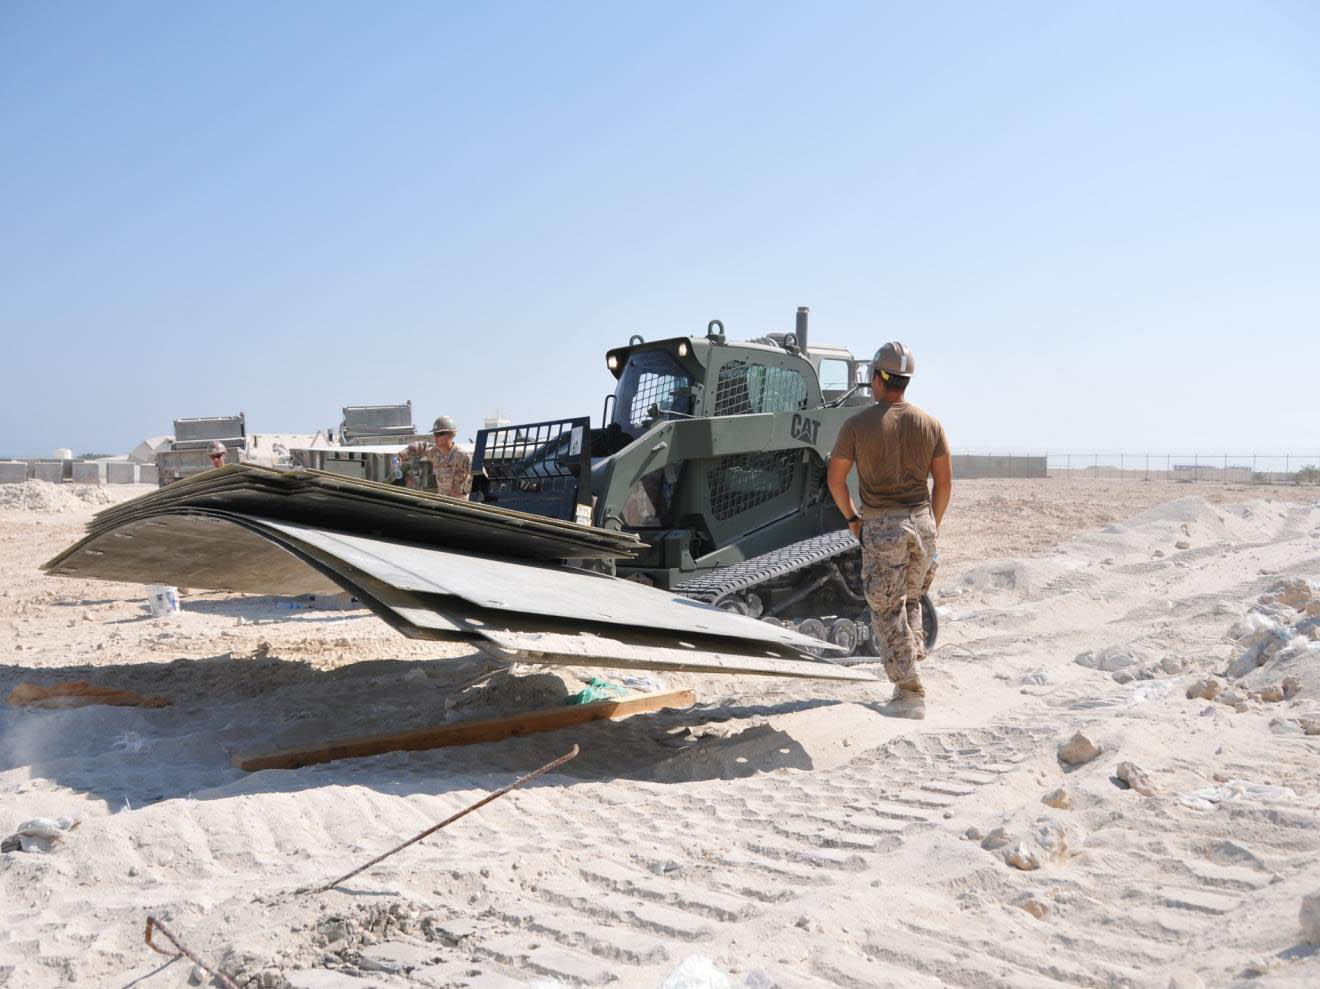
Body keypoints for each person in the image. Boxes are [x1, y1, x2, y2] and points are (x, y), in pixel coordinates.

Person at [826, 342, 952, 718]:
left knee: (886, 608)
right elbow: (944, 484)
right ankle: (910, 666)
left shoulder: (856, 425)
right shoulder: (930, 423)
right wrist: (931, 527)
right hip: (922, 525)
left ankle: (909, 692)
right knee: (911, 600)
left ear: (878, 378)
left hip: (883, 526)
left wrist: (852, 519)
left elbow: (836, 480)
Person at [399, 416, 472, 499]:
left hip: (459, 504)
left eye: (440, 434)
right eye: (435, 434)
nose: (436, 437)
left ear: (451, 434)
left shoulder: (461, 455)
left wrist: (465, 490)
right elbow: (422, 446)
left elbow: (478, 474)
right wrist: (404, 453)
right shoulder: (436, 453)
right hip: (443, 501)